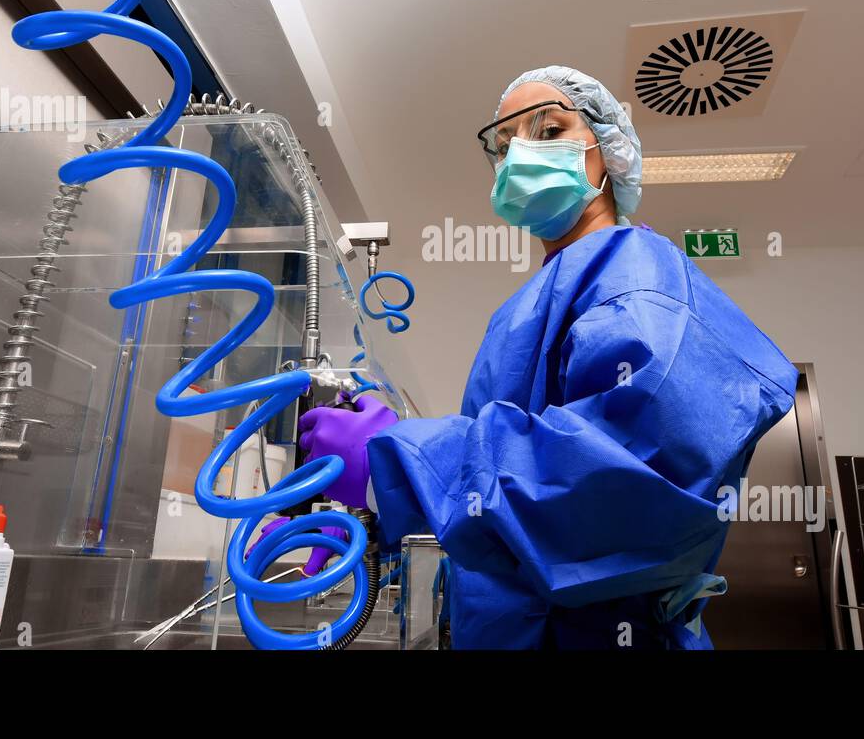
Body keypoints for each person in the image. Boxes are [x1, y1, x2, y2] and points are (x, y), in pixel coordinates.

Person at [297, 65, 798, 649]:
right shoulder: (529, 308)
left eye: (549, 129)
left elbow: (626, 483)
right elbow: (504, 506)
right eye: (506, 145)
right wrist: (369, 518)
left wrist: (399, 467)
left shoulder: (638, 279)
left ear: (607, 150)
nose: (521, 155)